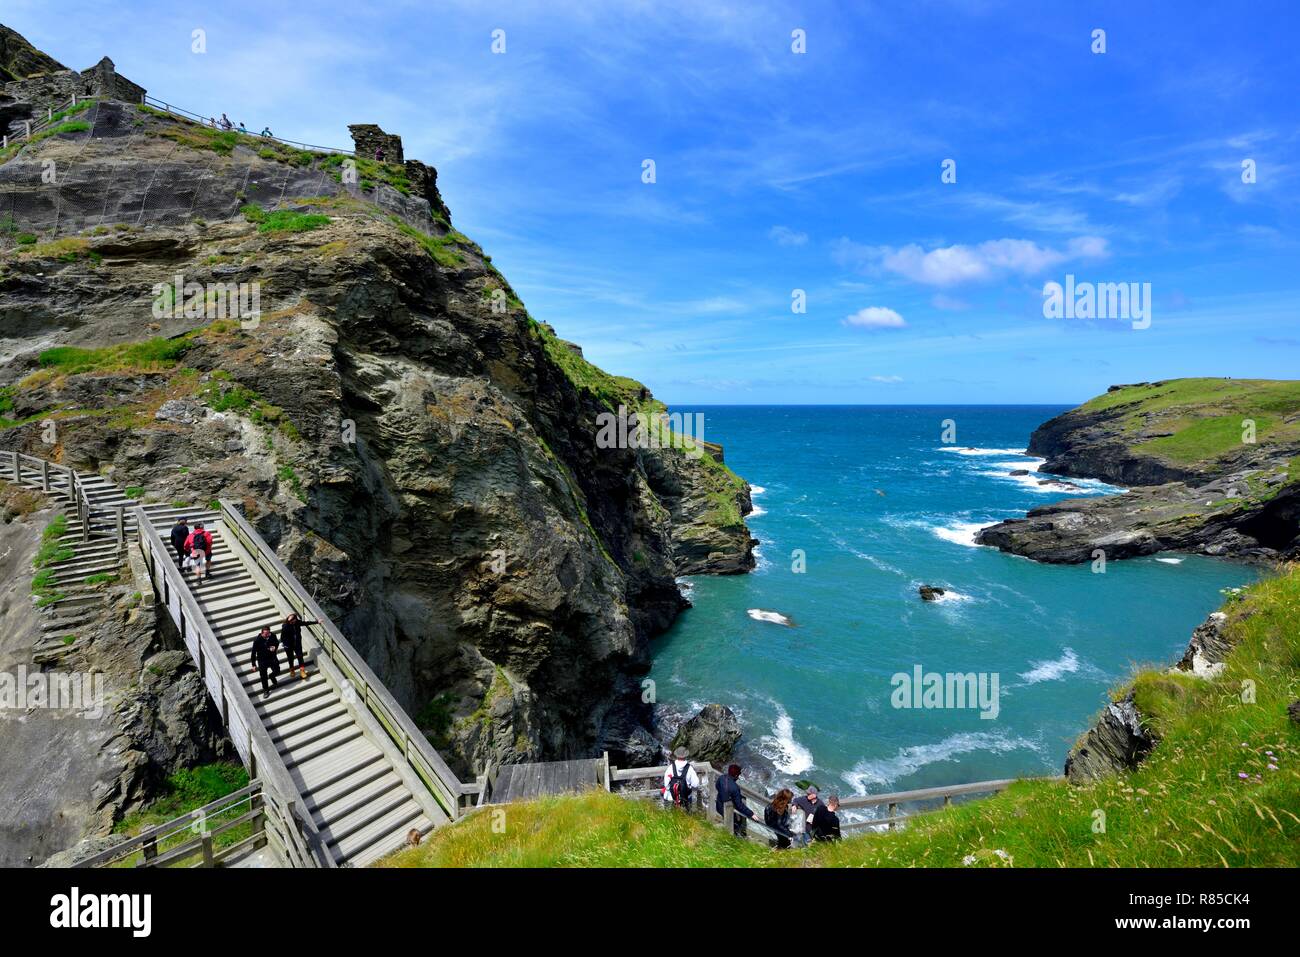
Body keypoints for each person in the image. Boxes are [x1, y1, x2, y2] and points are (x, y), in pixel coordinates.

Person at [715, 763, 759, 836]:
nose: (738, 776)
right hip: (728, 810)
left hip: (719, 805)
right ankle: (734, 835)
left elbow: (717, 786)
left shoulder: (721, 778)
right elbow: (739, 805)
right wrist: (751, 813)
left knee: (729, 819)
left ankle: (729, 830)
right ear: (736, 775)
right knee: (735, 823)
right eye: (738, 774)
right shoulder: (735, 788)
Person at [280, 611, 318, 680]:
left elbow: (306, 623)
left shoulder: (297, 623)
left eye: (293, 620)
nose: (292, 622)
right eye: (290, 620)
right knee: (290, 658)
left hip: (297, 643)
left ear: (295, 619)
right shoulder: (285, 626)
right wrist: (285, 645)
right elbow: (282, 638)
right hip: (289, 646)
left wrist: (317, 622)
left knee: (300, 656)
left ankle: (302, 671)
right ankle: (292, 670)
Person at [249, 626, 281, 698]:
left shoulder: (272, 635)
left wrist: (275, 647)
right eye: (266, 634)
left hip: (272, 657)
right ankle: (266, 690)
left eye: (268, 633)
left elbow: (276, 643)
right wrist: (253, 664)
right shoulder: (257, 640)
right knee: (263, 676)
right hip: (262, 660)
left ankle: (272, 676)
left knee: (277, 670)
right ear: (262, 633)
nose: (267, 635)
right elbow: (253, 653)